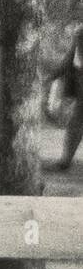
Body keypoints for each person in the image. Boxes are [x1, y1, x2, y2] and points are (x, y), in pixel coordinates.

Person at [48, 28, 83, 170]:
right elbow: (67, 62)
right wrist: (50, 78)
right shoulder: (79, 37)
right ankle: (65, 161)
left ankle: (65, 162)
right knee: (75, 126)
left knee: (75, 125)